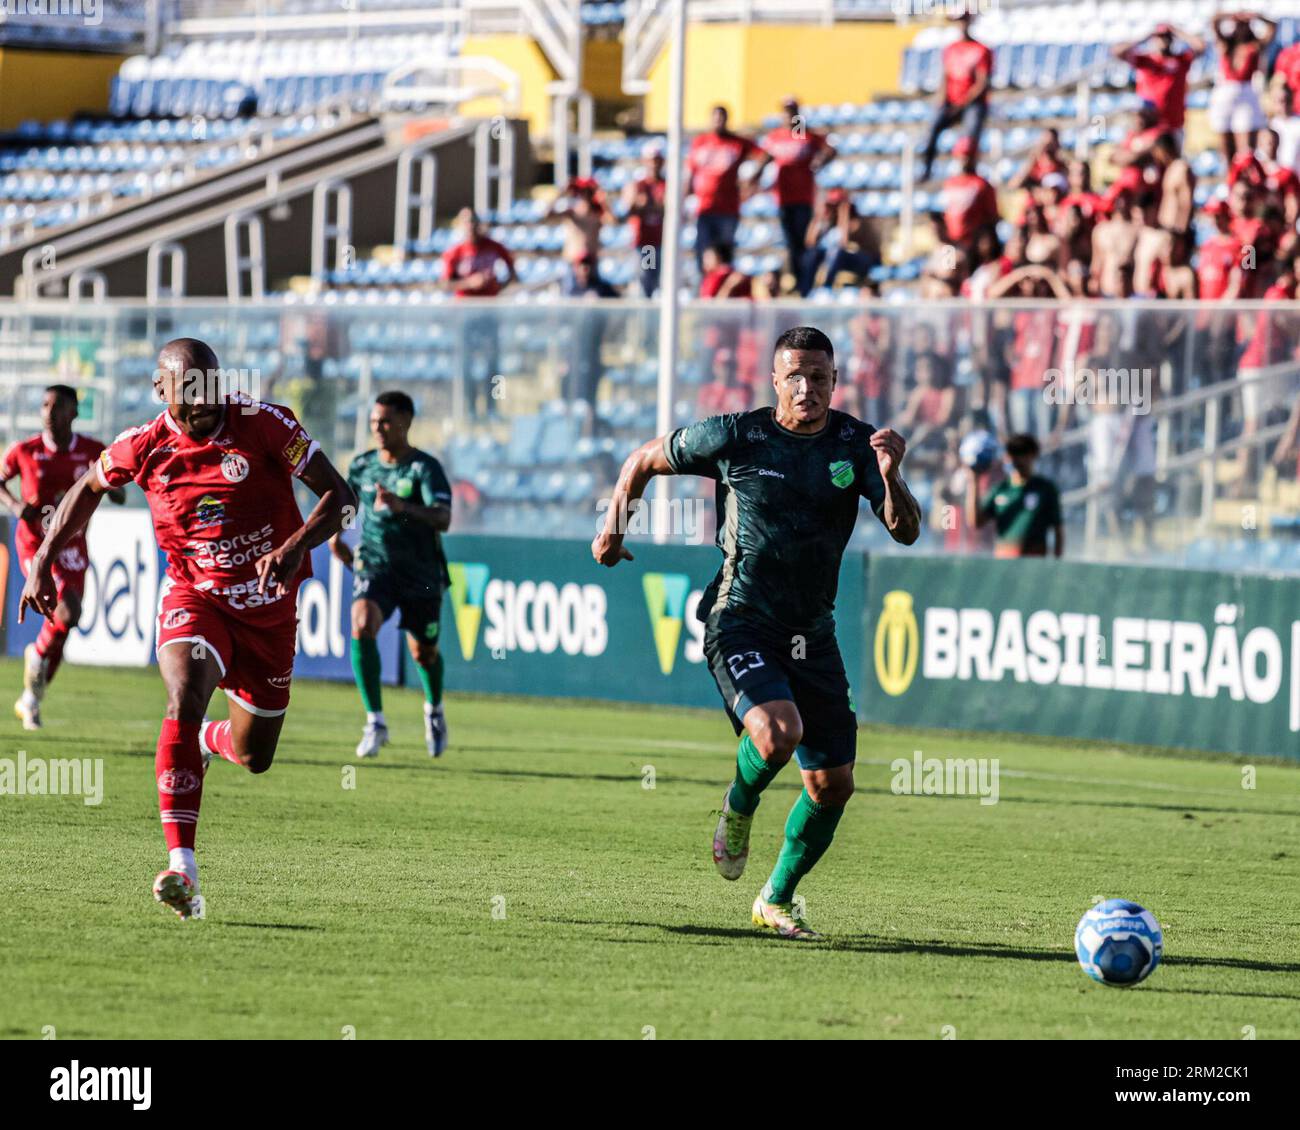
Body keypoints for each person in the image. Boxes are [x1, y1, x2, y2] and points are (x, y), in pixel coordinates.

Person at [592, 326, 921, 941]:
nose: (806, 388)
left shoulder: (856, 445)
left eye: (818, 377)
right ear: (775, 380)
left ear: (833, 380)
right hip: (739, 617)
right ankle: (738, 808)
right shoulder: (736, 435)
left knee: (833, 786)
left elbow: (906, 530)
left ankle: (776, 897)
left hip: (812, 633)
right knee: (777, 733)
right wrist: (614, 528)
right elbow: (641, 460)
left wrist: (892, 474)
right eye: (794, 376)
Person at [19, 339, 355, 920]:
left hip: (269, 610)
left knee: (254, 755)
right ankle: (182, 867)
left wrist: (295, 546)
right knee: (183, 695)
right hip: (193, 596)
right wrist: (45, 557)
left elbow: (341, 497)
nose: (205, 404)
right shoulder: (143, 446)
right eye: (190, 394)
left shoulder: (266, 423)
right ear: (162, 392)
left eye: (212, 389)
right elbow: (88, 489)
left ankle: (205, 743)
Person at [330, 391, 453, 760]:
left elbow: (443, 519)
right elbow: (345, 504)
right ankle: (375, 722)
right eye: (373, 422)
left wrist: (403, 507)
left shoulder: (424, 468)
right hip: (375, 564)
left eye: (385, 421)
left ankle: (433, 710)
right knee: (362, 623)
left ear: (406, 422)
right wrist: (337, 535)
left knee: (424, 652)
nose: (378, 429)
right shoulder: (363, 465)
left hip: (422, 573)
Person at [1, 385, 125, 729]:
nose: (49, 412)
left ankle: (31, 696)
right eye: (44, 405)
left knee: (65, 623)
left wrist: (113, 492)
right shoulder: (25, 451)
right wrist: (15, 506)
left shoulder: (92, 451)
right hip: (35, 545)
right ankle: (38, 660)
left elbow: (115, 486)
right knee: (66, 612)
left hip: (72, 545)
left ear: (74, 412)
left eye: (57, 406)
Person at [441, 208, 518, 419]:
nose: (472, 227)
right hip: (465, 313)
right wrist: (470, 283)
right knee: (468, 362)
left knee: (492, 361)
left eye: (474, 222)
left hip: (489, 311)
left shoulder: (493, 247)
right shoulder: (456, 252)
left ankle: (492, 407)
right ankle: (471, 409)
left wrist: (496, 287)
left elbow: (513, 271)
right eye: (467, 223)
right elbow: (446, 283)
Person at [750, 97, 837, 285]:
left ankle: (806, 281)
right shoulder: (776, 136)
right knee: (791, 243)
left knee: (805, 242)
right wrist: (754, 177)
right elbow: (764, 158)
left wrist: (820, 160)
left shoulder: (800, 133)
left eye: (792, 112)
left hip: (803, 198)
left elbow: (827, 149)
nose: (789, 115)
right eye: (786, 112)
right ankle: (799, 281)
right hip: (783, 198)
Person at [687, 106, 763, 273]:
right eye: (715, 117)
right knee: (703, 250)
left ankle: (722, 286)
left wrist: (752, 179)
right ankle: (705, 288)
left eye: (721, 118)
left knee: (725, 251)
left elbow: (764, 156)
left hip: (728, 207)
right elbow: (691, 171)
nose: (718, 121)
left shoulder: (737, 142)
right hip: (705, 207)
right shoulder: (701, 142)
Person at [921, 10, 993, 182]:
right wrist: (942, 100)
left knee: (971, 133)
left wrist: (964, 102)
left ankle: (970, 169)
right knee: (932, 128)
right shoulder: (950, 49)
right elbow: (946, 77)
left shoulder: (981, 50)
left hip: (971, 103)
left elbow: (982, 83)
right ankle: (927, 169)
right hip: (951, 101)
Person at [965, 432, 1063, 558]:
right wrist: (974, 481)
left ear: (1033, 455)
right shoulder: (1000, 490)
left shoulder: (1045, 489)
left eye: (1021, 453)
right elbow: (975, 522)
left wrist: (1057, 565)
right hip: (1004, 561)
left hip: (1034, 561)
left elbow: (1058, 529)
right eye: (1012, 454)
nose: (1016, 459)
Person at [1114, 23, 1204, 141]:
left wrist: (1177, 32)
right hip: (1148, 126)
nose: (1164, 40)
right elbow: (1117, 52)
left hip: (1173, 125)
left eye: (1167, 37)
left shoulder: (1181, 60)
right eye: (1160, 37)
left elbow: (1200, 47)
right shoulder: (1146, 60)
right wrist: (1146, 36)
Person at [1210, 11, 1275, 163]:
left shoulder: (1254, 46)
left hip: (1246, 91)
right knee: (1226, 145)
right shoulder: (1226, 45)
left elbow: (1272, 27)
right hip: (1225, 93)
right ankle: (1230, 180)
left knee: (1246, 147)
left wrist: (1255, 16)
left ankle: (1247, 176)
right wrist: (1232, 15)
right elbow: (1214, 21)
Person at [623, 146, 666, 297]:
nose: (654, 164)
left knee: (659, 284)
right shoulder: (638, 184)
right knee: (645, 282)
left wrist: (649, 204)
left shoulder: (665, 185)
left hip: (661, 242)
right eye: (651, 160)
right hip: (646, 244)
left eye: (657, 160)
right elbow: (629, 207)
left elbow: (669, 208)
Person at [941, 136, 999, 248]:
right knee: (948, 264)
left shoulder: (982, 185)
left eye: (968, 156)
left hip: (973, 245)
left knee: (962, 263)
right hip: (951, 243)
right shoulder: (950, 183)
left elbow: (992, 217)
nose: (965, 160)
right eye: (962, 156)